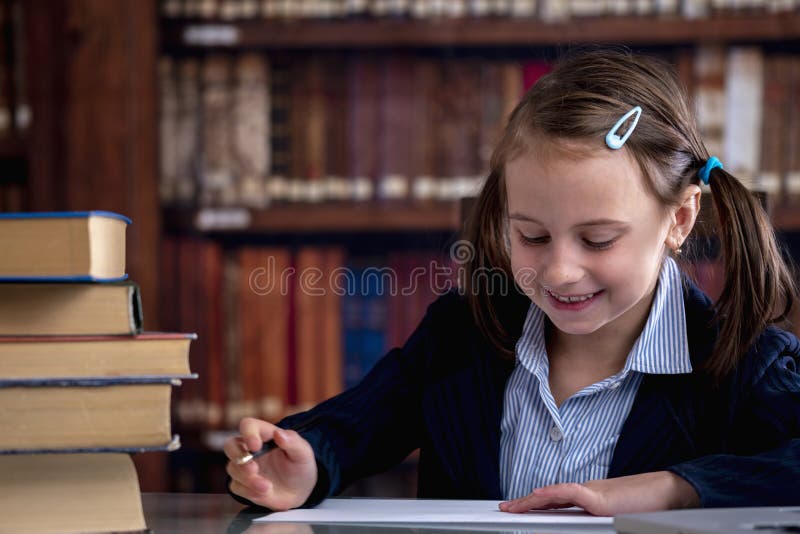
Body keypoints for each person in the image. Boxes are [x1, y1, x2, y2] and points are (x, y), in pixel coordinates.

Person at [223, 49, 800, 516]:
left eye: (598, 240)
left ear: (679, 219)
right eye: (531, 236)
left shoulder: (745, 365)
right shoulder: (461, 333)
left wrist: (673, 488)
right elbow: (358, 426)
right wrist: (309, 462)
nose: (558, 272)